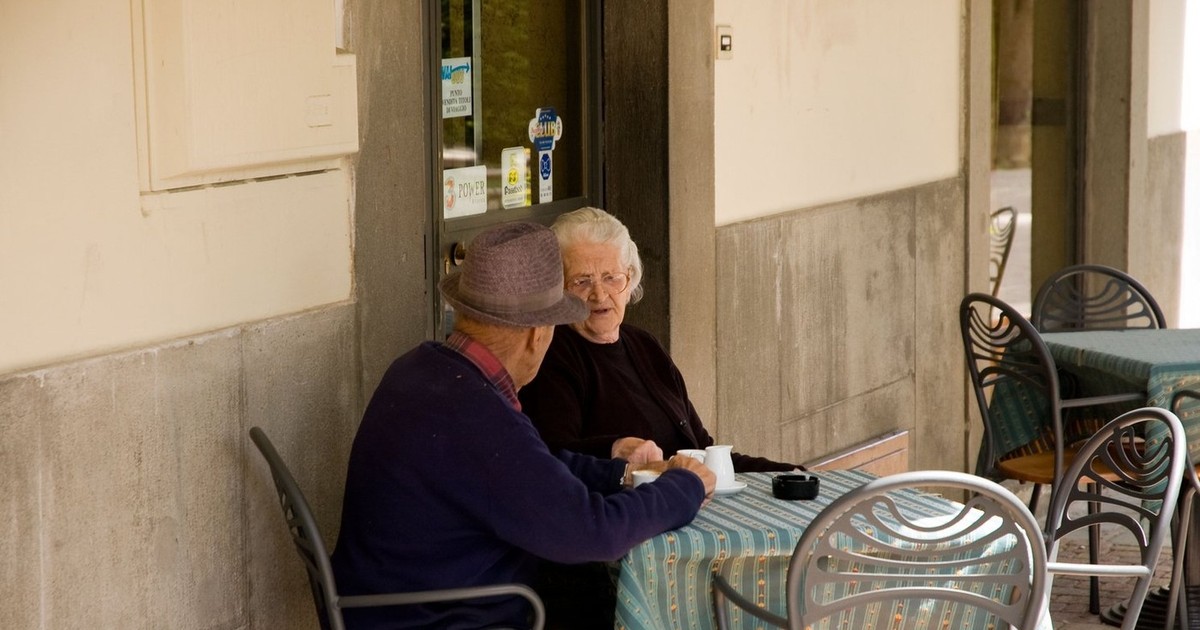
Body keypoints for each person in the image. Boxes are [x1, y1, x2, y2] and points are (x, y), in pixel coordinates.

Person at [329, 221, 715, 629]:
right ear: (537, 335)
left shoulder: (422, 367)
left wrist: (621, 473)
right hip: (440, 617)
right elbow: (590, 533)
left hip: (397, 603)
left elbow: (536, 467)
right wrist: (683, 488)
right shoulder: (474, 412)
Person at [520, 207, 803, 473]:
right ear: (557, 289)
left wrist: (789, 472)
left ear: (629, 282)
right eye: (581, 281)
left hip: (684, 498)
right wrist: (614, 449)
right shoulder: (551, 354)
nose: (599, 294)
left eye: (611, 277)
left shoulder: (644, 345)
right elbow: (554, 457)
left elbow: (701, 451)